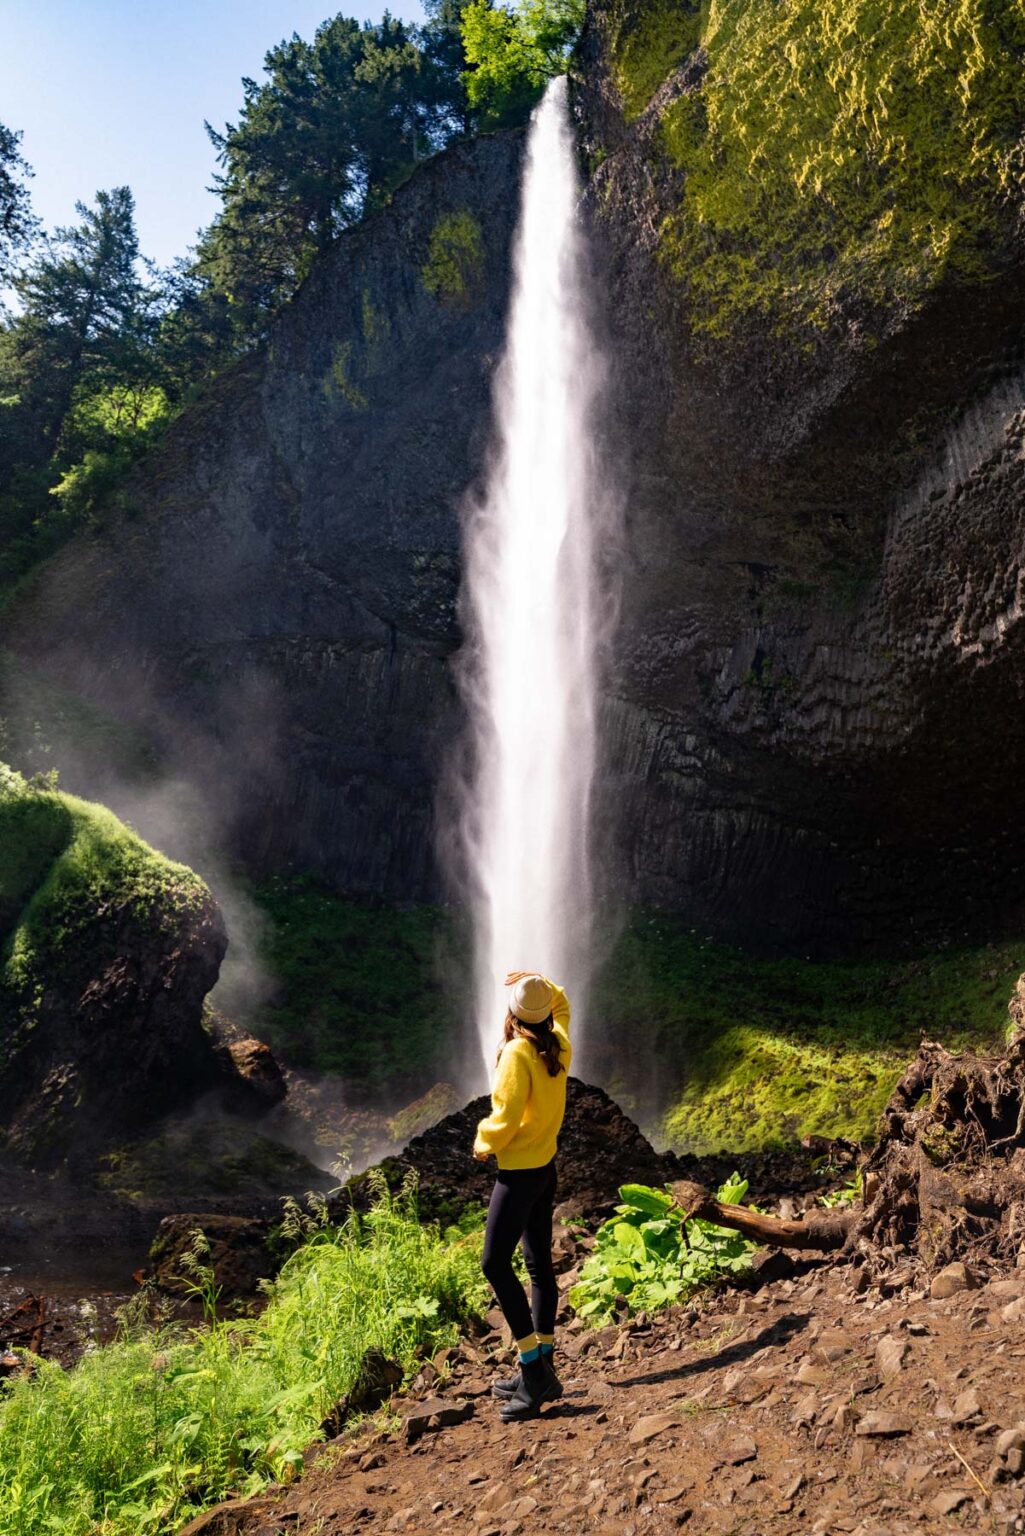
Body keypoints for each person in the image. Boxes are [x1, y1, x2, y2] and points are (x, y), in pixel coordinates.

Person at [473, 969, 572, 1422]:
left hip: (518, 1176)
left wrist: (483, 1142)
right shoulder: (559, 1046)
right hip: (545, 1171)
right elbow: (564, 1005)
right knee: (537, 1266)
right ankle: (544, 1362)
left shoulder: (516, 1051)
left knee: (494, 1263)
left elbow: (507, 1113)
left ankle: (534, 1373)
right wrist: (541, 982)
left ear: (512, 1015)